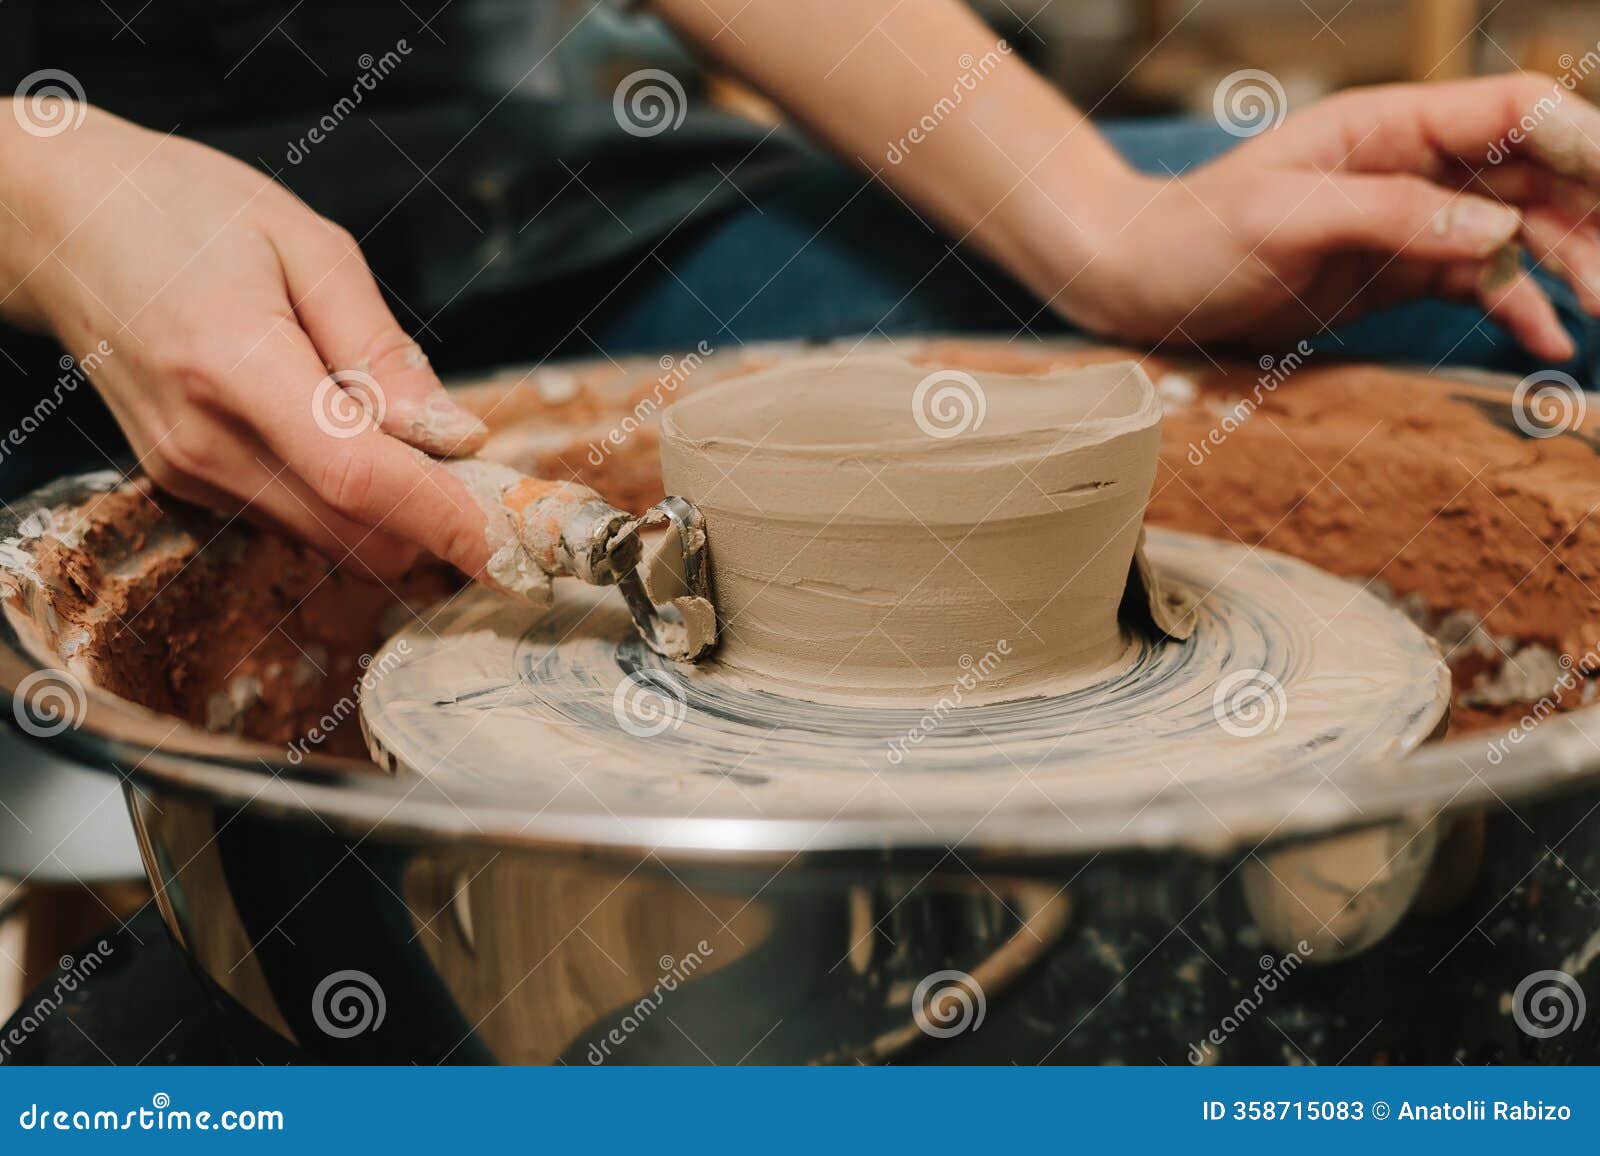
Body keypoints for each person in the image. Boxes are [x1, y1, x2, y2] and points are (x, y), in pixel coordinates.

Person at [0, 0, 1596, 595]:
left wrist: (1103, 227)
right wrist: (56, 199)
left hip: (485, 204)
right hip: (40, 293)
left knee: (1471, 307)